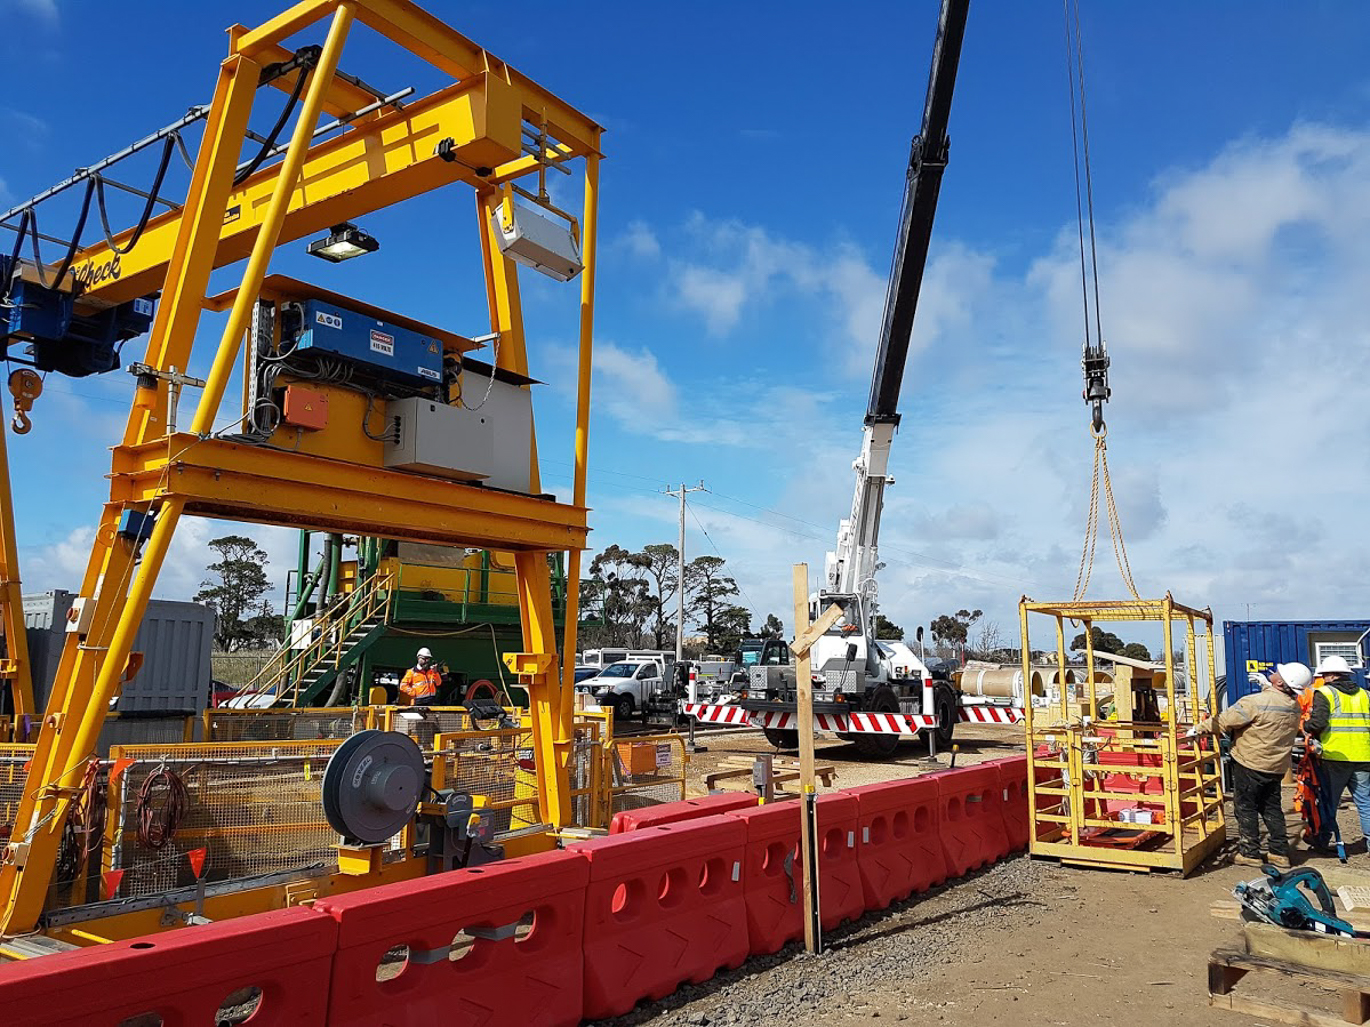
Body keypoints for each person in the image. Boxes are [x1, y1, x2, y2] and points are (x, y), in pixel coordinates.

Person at [1189, 661, 1310, 867]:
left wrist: (1198, 729)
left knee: (1245, 807)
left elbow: (1225, 720)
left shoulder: (1255, 702)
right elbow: (1272, 706)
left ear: (1280, 682)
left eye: (1278, 673)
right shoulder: (1293, 706)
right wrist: (1266, 687)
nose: (1274, 672)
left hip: (1250, 762)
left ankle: (1250, 852)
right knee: (1271, 808)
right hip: (1276, 766)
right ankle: (1279, 852)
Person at [1304, 655, 1370, 853]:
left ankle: (1323, 840)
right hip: (1364, 755)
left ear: (1332, 675)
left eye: (1324, 675)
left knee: (1329, 802)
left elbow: (1318, 723)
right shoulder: (1365, 695)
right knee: (1366, 803)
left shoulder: (1325, 693)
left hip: (1335, 757)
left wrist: (1305, 727)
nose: (1322, 679)